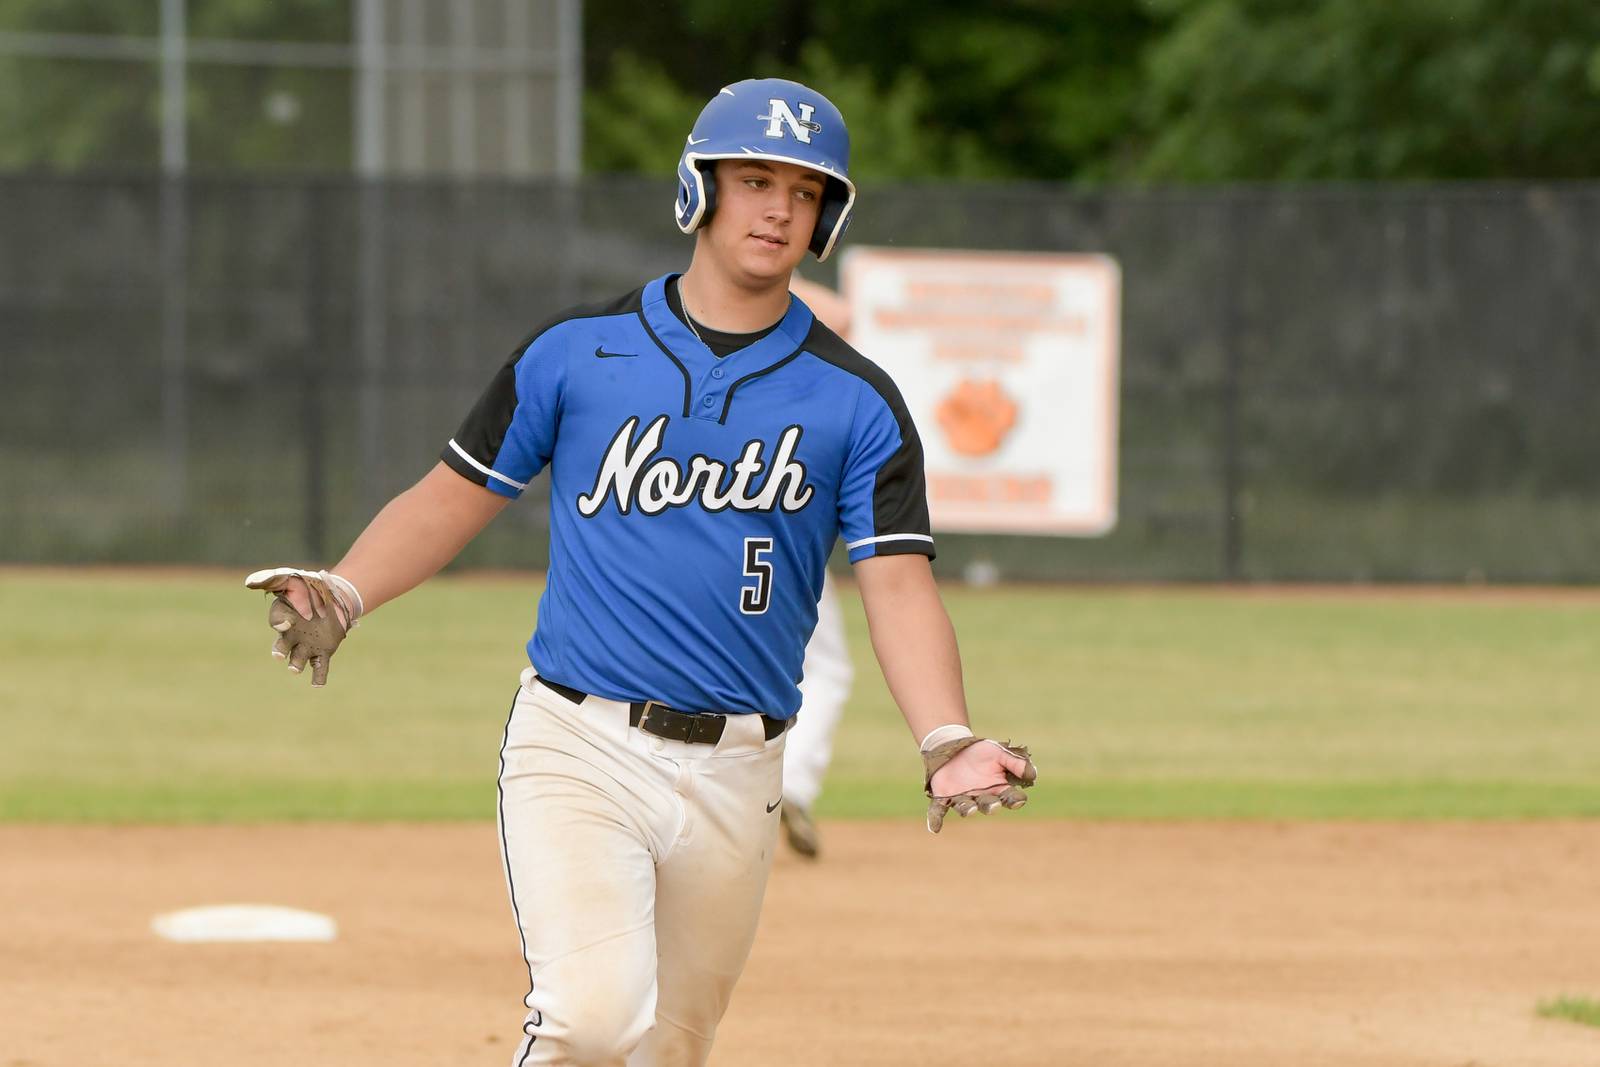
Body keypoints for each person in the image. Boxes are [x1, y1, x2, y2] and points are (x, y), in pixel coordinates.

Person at [245, 77, 1036, 1067]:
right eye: (753, 179)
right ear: (698, 189)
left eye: (804, 189)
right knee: (588, 1020)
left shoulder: (857, 401)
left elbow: (898, 582)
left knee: (670, 1046)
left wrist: (945, 732)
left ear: (827, 217)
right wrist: (348, 588)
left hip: (741, 769)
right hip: (578, 740)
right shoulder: (577, 353)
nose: (778, 206)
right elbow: (453, 494)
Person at [776, 275, 857, 860]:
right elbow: (841, 312)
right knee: (827, 667)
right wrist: (780, 271)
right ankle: (790, 785)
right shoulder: (800, 359)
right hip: (783, 538)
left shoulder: (685, 329)